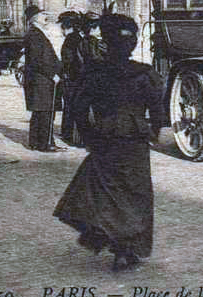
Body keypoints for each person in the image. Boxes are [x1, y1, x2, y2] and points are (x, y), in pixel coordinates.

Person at [54, 14, 165, 272]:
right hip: (135, 141)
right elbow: (158, 111)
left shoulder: (95, 75)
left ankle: (113, 242)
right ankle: (128, 249)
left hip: (106, 139)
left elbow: (79, 109)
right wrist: (152, 131)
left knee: (106, 194)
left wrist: (90, 137)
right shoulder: (145, 74)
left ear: (106, 43)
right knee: (136, 196)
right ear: (132, 44)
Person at [23, 5, 63, 152]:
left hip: (39, 78)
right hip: (41, 79)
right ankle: (45, 144)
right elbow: (37, 59)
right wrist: (52, 74)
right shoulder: (35, 34)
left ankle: (35, 142)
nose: (45, 16)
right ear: (34, 18)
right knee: (46, 111)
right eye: (41, 14)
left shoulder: (36, 33)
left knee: (39, 111)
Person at [58, 11, 85, 146]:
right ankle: (70, 133)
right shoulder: (78, 38)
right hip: (76, 77)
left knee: (69, 105)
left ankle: (68, 133)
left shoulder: (70, 40)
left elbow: (68, 60)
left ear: (66, 26)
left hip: (72, 77)